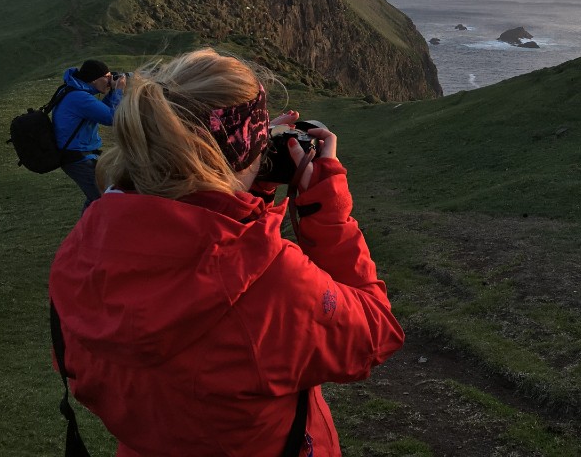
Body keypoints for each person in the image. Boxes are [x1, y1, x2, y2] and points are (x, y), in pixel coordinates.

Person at [49, 49, 405, 456]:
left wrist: (243, 190)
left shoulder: (81, 253)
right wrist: (327, 214)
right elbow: (375, 333)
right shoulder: (272, 283)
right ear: (245, 151)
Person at [52, 59, 125, 210]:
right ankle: (89, 225)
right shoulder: (79, 98)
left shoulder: (74, 92)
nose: (110, 80)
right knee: (103, 199)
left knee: (97, 198)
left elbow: (101, 111)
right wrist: (118, 91)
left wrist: (113, 91)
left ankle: (86, 224)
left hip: (80, 155)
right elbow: (112, 118)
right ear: (94, 79)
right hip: (77, 157)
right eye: (107, 76)